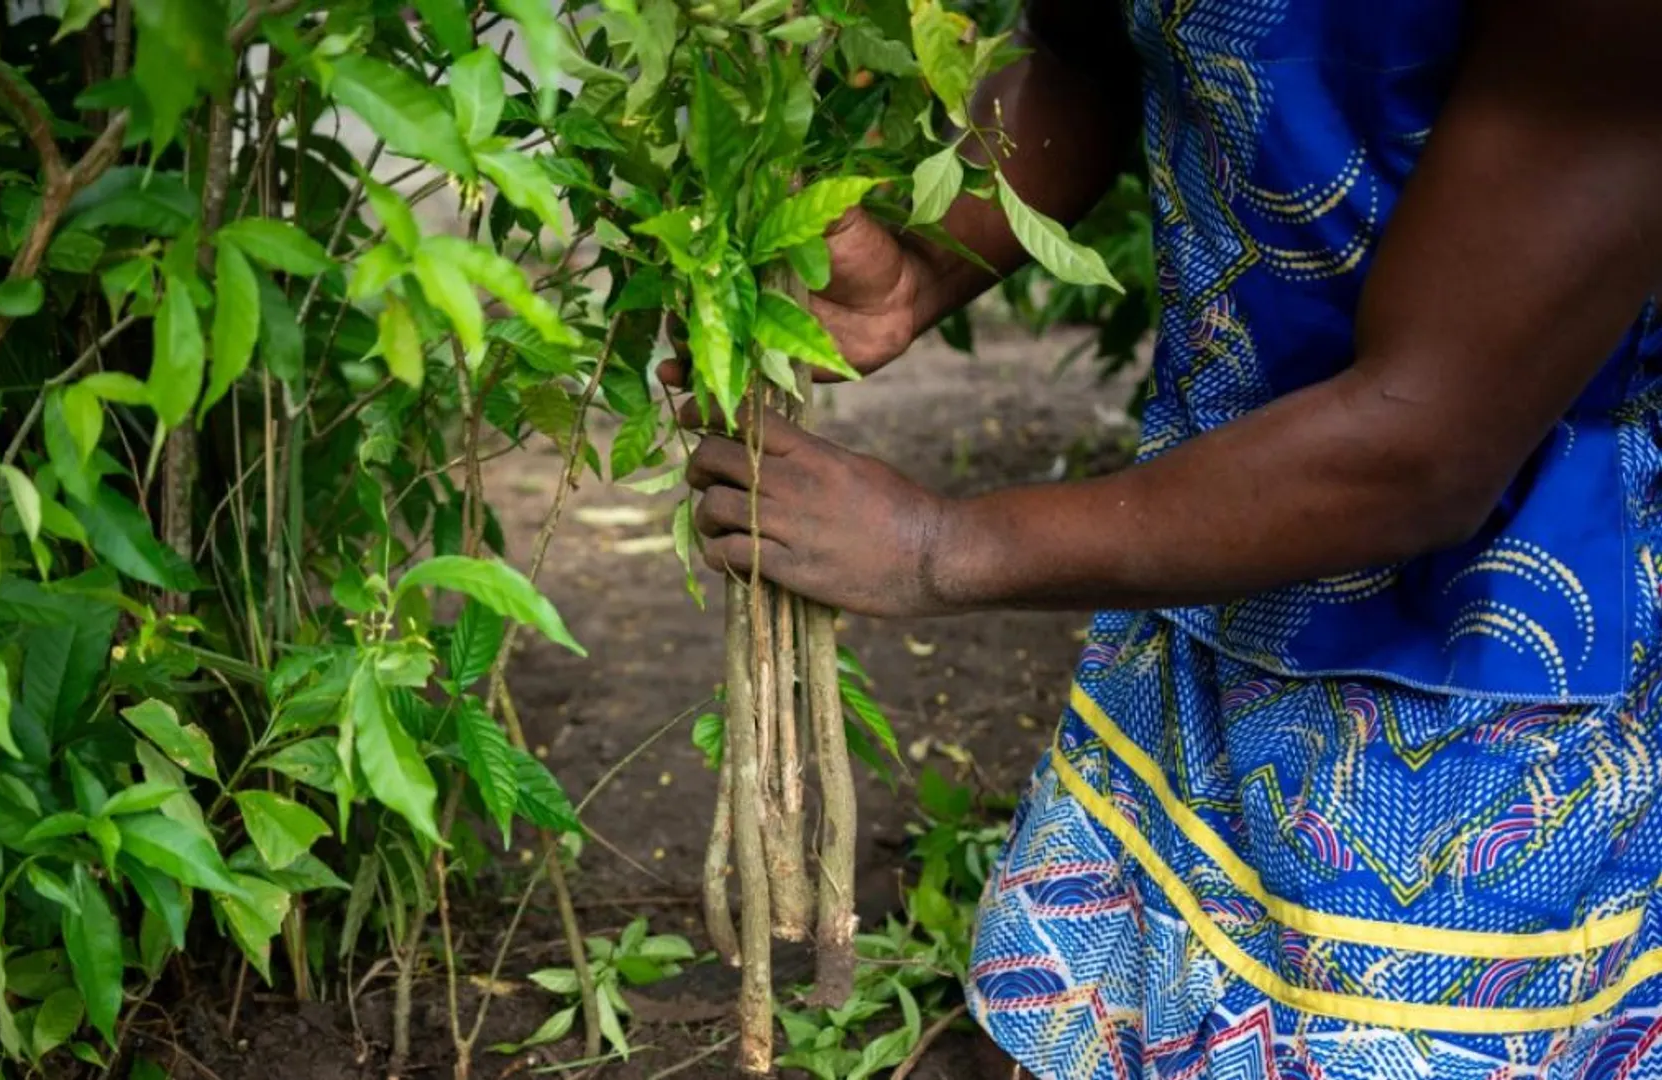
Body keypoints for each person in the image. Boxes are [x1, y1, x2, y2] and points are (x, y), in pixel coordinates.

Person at [674, 0, 1662, 1076]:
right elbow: (1088, 54)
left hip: (1496, 652)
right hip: (1211, 545)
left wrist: (935, 548)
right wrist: (926, 266)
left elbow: (1426, 443)